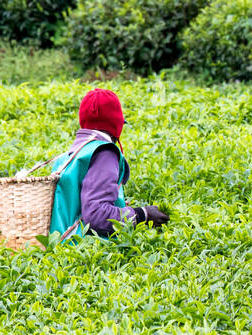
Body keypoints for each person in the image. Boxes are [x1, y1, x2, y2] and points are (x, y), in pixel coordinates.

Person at [49, 88, 169, 239]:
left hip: (58, 246)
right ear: (116, 124)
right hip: (83, 248)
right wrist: (142, 215)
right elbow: (96, 215)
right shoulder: (104, 153)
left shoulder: (72, 154)